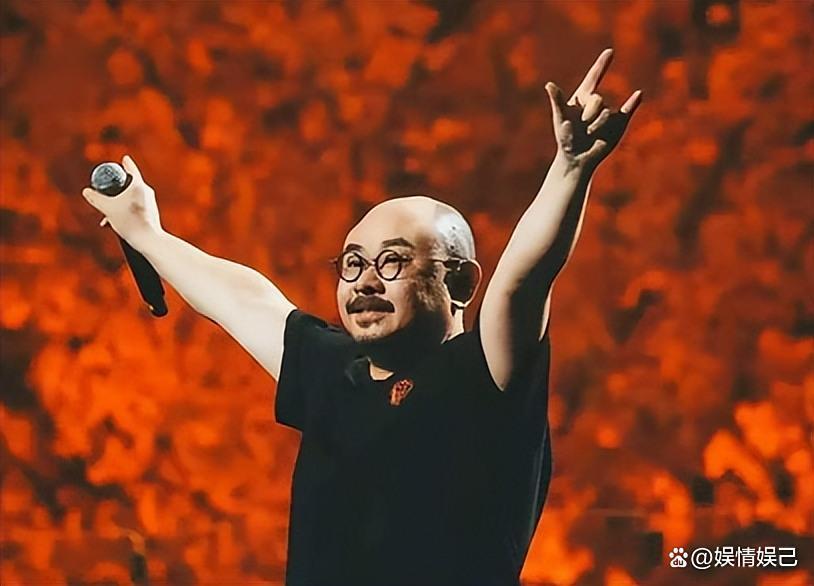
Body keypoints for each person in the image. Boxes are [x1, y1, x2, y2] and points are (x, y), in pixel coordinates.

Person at [82, 49, 641, 586]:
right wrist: (146, 234)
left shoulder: (484, 375)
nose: (365, 281)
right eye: (352, 264)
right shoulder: (334, 373)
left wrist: (570, 170)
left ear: (461, 283)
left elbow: (523, 278)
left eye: (393, 261)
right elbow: (244, 299)